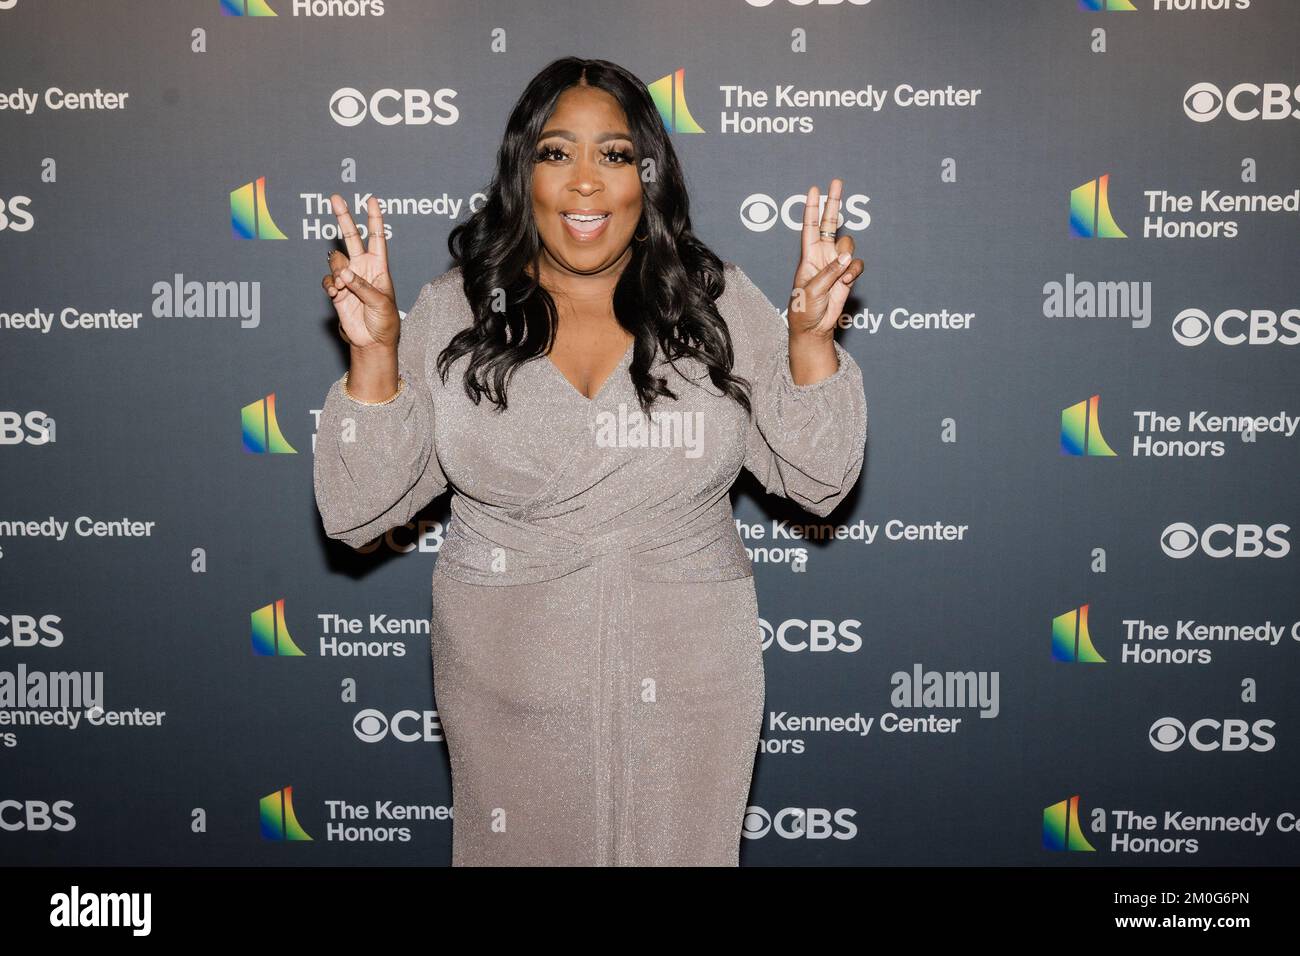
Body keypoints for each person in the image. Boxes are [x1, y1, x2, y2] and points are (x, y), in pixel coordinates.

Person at [313, 57, 867, 866]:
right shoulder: (456, 311)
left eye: (613, 155)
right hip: (506, 678)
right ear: (521, 173)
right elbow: (358, 509)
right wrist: (373, 358)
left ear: (649, 177)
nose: (583, 184)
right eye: (554, 152)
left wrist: (810, 342)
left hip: (690, 679)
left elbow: (820, 481)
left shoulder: (709, 302)